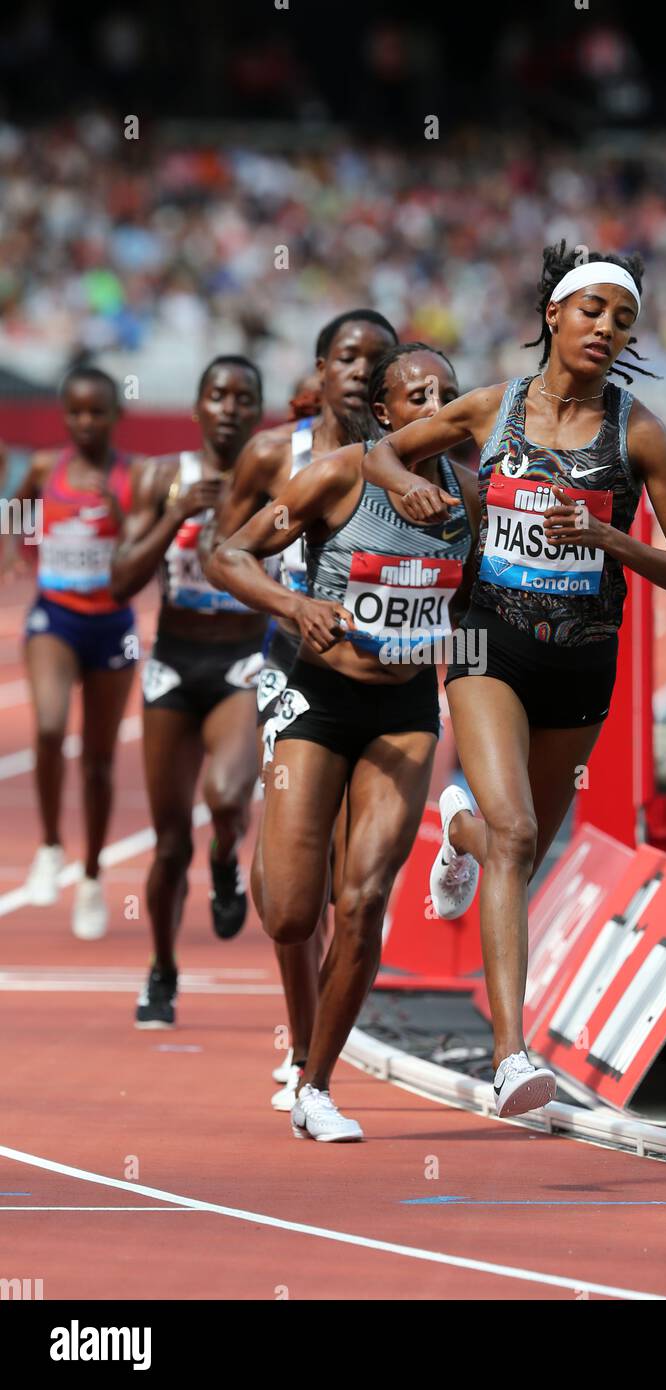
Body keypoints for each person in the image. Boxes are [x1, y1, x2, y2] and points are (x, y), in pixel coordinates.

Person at [363, 245, 666, 1118]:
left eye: (623, 319)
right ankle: (510, 1058)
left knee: (518, 845)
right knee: (517, 834)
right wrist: (409, 490)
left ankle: (456, 830)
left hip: (582, 661)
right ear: (553, 315)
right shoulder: (492, 408)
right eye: (592, 310)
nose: (607, 329)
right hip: (487, 641)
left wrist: (609, 543)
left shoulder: (639, 433)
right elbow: (381, 455)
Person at [209, 342, 479, 1140]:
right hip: (316, 700)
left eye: (449, 396)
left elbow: (472, 618)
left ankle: (316, 1085)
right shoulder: (336, 478)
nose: (435, 407)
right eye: (417, 395)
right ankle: (273, 834)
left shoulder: (471, 496)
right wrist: (295, 610)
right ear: (387, 413)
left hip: (404, 715)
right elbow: (229, 555)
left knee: (361, 902)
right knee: (293, 916)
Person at [206, 310, 397, 1101]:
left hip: (389, 683)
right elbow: (226, 553)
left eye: (374, 362)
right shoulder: (270, 455)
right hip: (292, 666)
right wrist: (287, 605)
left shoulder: (409, 458)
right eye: (346, 357)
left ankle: (316, 1054)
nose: (358, 370)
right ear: (319, 369)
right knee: (295, 887)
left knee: (354, 886)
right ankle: (300, 1041)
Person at [111, 356, 267, 1027]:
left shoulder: (274, 478)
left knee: (227, 799)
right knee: (170, 843)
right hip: (174, 665)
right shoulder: (157, 476)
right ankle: (163, 970)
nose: (229, 409)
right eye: (218, 396)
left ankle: (228, 854)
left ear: (259, 413)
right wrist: (176, 510)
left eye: (243, 399)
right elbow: (120, 580)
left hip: (241, 660)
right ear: (199, 406)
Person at [11, 366, 138, 939]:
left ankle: (90, 876)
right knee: (48, 727)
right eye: (76, 412)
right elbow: (18, 509)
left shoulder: (134, 476)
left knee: (99, 761)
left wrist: (121, 517)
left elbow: (145, 548)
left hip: (112, 625)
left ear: (116, 415)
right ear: (65, 416)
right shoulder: (45, 467)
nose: (85, 422)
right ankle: (49, 845)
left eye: (97, 411)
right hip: (55, 618)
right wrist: (22, 554)